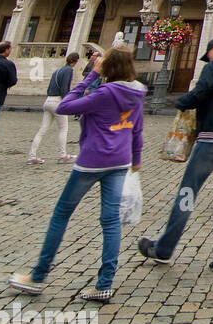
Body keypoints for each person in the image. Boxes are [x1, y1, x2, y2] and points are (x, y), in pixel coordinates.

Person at [8, 46, 145, 302]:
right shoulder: (137, 93)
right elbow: (137, 129)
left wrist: (91, 76)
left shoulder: (104, 92)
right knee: (111, 221)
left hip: (92, 161)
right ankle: (104, 283)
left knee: (61, 215)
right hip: (119, 162)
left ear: (108, 68)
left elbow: (65, 106)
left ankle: (38, 276)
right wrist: (135, 160)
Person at [138, 35, 213, 273]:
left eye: (208, 55)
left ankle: (163, 249)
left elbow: (200, 92)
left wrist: (181, 102)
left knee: (188, 191)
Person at [27, 52, 80, 165]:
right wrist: (68, 103)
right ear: (75, 61)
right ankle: (62, 155)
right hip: (58, 102)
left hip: (48, 100)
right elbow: (65, 88)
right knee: (63, 128)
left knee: (42, 130)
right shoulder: (68, 70)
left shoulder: (58, 70)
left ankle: (32, 156)